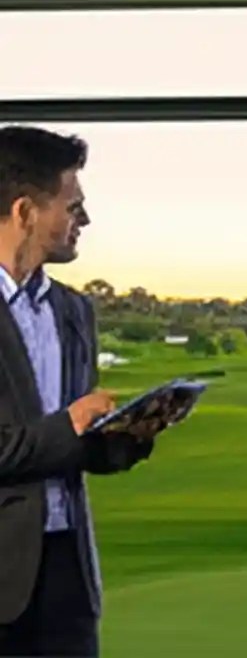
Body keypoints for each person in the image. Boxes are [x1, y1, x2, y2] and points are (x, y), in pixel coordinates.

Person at [0, 126, 157, 657]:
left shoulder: (74, 311)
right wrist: (70, 423)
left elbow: (79, 443)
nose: (84, 221)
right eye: (73, 206)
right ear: (24, 212)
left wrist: (127, 435)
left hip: (68, 570)